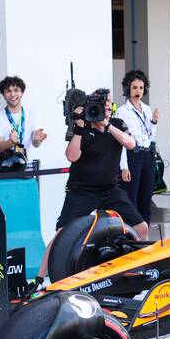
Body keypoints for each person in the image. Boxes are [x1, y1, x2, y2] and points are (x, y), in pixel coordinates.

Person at [55, 88, 145, 241]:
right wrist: (78, 126)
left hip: (110, 190)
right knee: (61, 234)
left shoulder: (117, 124)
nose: (108, 107)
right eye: (104, 104)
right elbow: (72, 156)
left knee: (141, 228)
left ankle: (138, 264)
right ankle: (44, 267)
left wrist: (107, 126)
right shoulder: (84, 127)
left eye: (110, 104)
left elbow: (130, 144)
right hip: (82, 191)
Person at [113, 69, 158, 225]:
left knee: (146, 198)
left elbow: (151, 135)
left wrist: (154, 122)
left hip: (148, 156)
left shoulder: (147, 109)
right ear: (127, 89)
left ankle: (144, 235)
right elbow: (121, 143)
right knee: (131, 199)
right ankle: (130, 235)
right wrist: (124, 167)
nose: (138, 91)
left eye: (141, 87)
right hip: (133, 156)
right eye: (134, 87)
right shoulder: (122, 112)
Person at [0, 75, 47, 168]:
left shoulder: (32, 114)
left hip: (27, 165)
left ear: (22, 93)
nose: (12, 94)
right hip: (5, 166)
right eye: (8, 91)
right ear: (3, 94)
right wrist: (11, 142)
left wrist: (37, 140)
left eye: (16, 90)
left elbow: (35, 144)